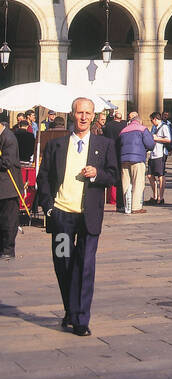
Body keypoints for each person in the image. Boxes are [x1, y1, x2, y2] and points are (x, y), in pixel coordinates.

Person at [35, 96, 119, 336]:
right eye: (79, 112)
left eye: (88, 113)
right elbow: (44, 177)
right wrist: (48, 207)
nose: (83, 117)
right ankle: (70, 308)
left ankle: (81, 318)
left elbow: (112, 175)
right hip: (61, 217)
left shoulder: (104, 145)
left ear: (93, 116)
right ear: (72, 114)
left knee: (84, 266)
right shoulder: (56, 145)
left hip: (88, 219)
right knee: (63, 263)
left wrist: (96, 174)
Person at [117, 111, 154, 215]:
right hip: (138, 159)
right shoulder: (142, 129)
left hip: (124, 159)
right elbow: (150, 144)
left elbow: (118, 144)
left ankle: (127, 206)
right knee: (138, 183)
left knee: (126, 183)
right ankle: (136, 207)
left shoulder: (123, 130)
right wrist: (145, 149)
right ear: (140, 122)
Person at [0, 118, 24, 258]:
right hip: (2, 187)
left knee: (8, 221)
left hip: (9, 187)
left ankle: (8, 250)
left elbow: (6, 163)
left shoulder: (9, 138)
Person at [147, 112, 172, 205]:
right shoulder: (154, 127)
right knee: (149, 175)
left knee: (160, 175)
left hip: (160, 154)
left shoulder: (164, 127)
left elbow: (168, 139)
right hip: (153, 153)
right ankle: (155, 195)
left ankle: (160, 197)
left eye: (151, 120)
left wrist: (156, 138)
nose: (151, 122)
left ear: (155, 119)